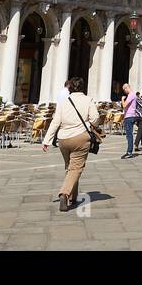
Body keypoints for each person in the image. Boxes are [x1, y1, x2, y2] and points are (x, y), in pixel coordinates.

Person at [42, 76, 101, 212]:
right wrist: (91, 124)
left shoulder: (64, 102)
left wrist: (47, 140)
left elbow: (55, 121)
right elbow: (95, 118)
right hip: (81, 137)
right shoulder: (88, 100)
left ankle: (73, 196)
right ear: (83, 87)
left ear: (70, 88)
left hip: (63, 139)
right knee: (75, 168)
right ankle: (64, 194)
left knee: (70, 167)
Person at [120, 82, 141, 159]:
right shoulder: (133, 95)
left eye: (124, 89)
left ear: (126, 88)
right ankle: (129, 151)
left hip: (129, 116)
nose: (124, 91)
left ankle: (129, 152)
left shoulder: (131, 95)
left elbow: (124, 105)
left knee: (129, 135)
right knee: (129, 134)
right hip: (131, 116)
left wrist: (122, 99)